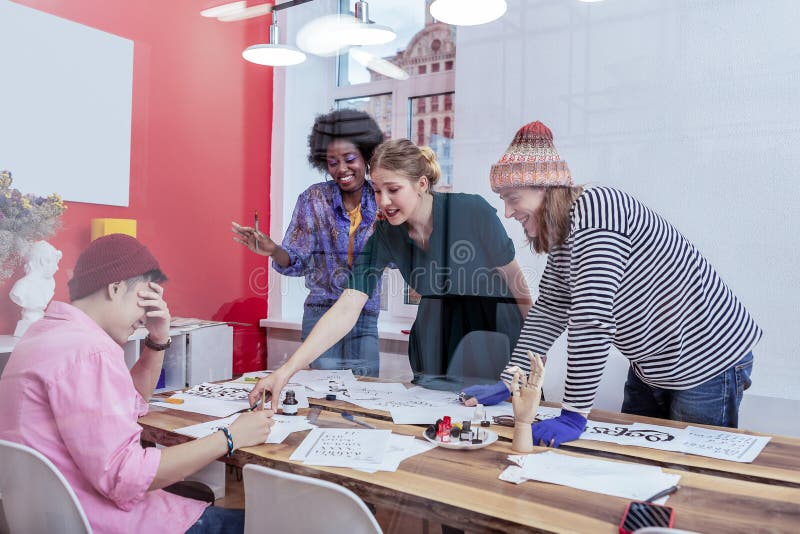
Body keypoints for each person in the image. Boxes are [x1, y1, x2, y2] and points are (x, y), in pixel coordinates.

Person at [462, 121, 762, 446]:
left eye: (512, 198)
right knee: (633, 459)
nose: (508, 212)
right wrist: (513, 379)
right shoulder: (566, 235)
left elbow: (592, 319)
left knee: (693, 468)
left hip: (708, 359)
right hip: (652, 366)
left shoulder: (597, 211)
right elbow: (550, 310)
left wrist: (574, 413)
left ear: (544, 188)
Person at [0, 234, 274, 534]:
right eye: (145, 299)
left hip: (58, 518)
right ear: (116, 288)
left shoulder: (43, 334)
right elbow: (125, 477)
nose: (146, 316)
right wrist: (231, 437)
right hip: (114, 523)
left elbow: (128, 404)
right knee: (278, 525)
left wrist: (157, 340)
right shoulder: (90, 351)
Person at [249, 138, 531, 407]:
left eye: (393, 190)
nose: (383, 201)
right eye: (376, 190)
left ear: (421, 184)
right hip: (437, 340)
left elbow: (517, 284)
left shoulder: (471, 210)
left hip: (494, 335)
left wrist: (531, 356)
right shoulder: (385, 234)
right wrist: (285, 372)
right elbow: (348, 306)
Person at [232, 109, 384, 377]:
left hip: (364, 315)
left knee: (367, 391)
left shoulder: (381, 199)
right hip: (320, 313)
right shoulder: (313, 199)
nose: (342, 169)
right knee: (322, 392)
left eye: (350, 159)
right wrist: (273, 250)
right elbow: (296, 258)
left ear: (366, 156)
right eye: (333, 162)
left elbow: (394, 256)